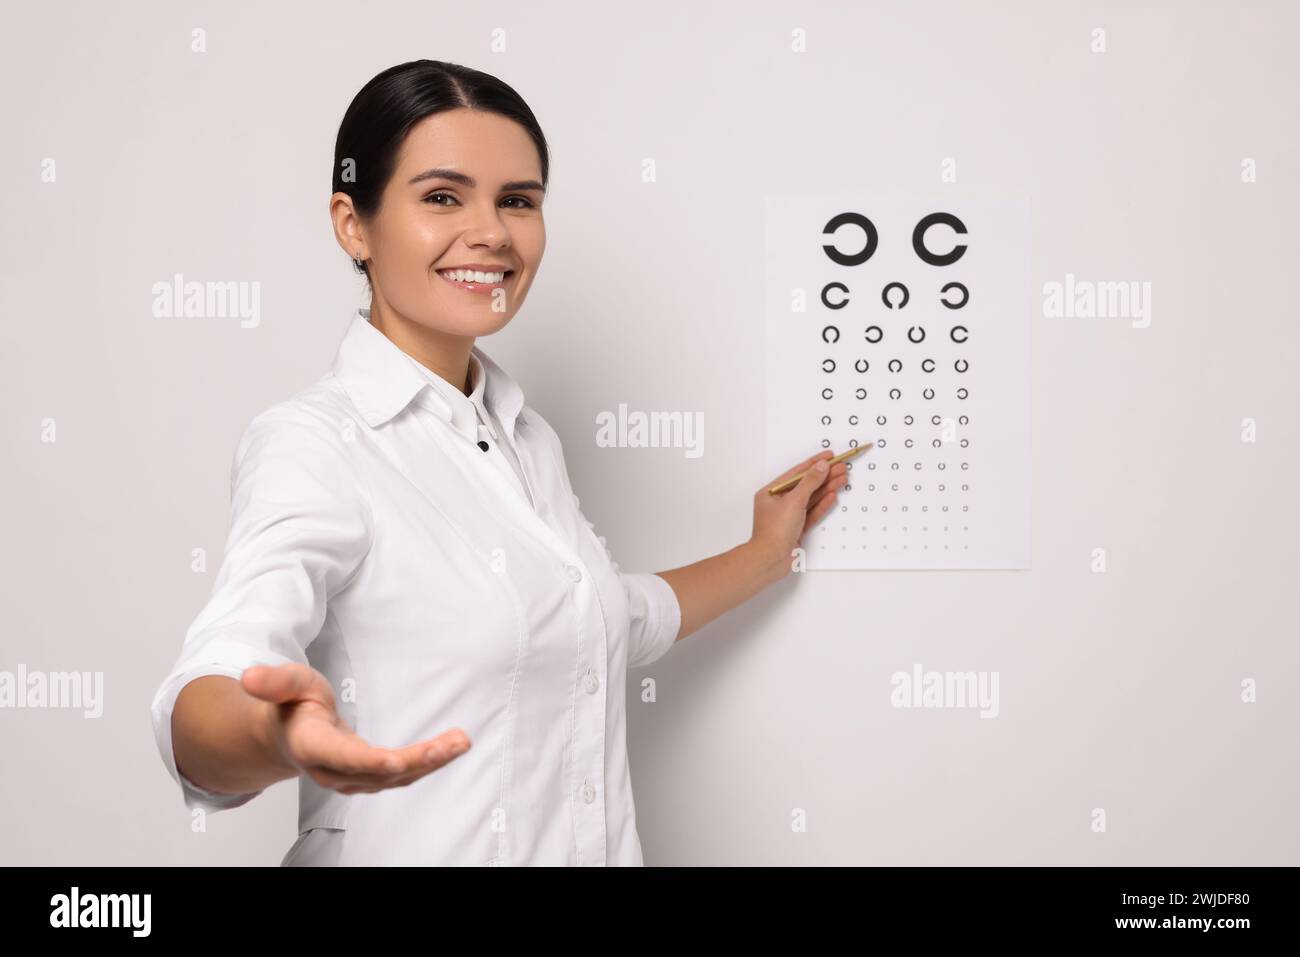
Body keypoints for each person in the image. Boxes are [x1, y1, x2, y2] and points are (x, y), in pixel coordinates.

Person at [149, 59, 849, 866]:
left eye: (518, 200)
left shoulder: (523, 436)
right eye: (442, 196)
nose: (492, 232)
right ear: (354, 224)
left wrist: (766, 551)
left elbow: (602, 620)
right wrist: (276, 734)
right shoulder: (315, 442)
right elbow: (213, 685)